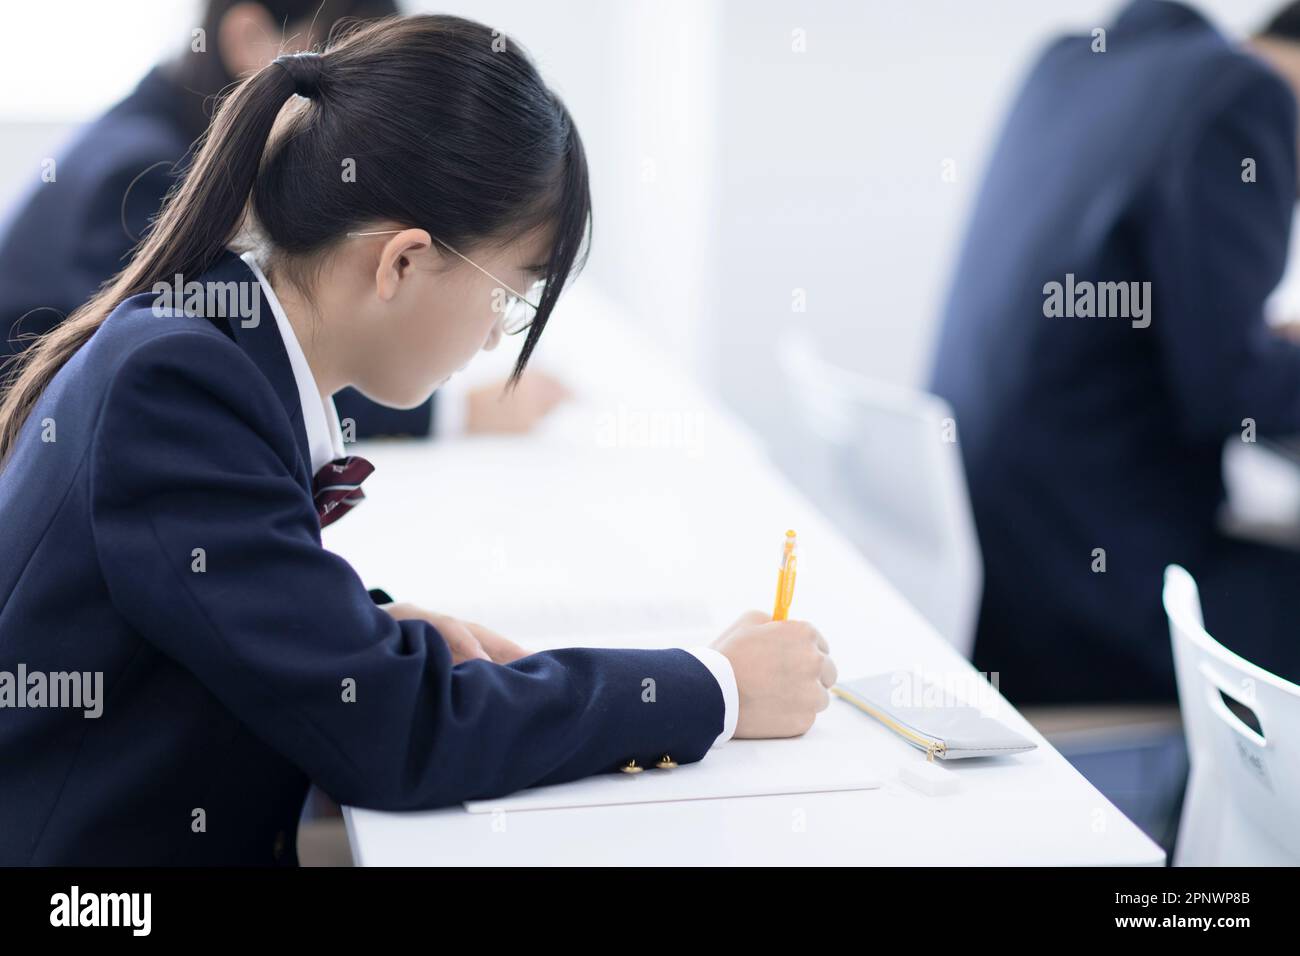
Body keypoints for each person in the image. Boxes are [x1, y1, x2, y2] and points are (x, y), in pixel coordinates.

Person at [0, 14, 836, 865]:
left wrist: (361, 627)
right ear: (401, 263)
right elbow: (398, 734)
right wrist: (715, 687)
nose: (493, 339)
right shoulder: (180, 390)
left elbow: (210, 603)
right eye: (508, 298)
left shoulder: (208, 347)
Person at [931, 0, 1300, 704]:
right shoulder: (1246, 98)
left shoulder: (1080, 60)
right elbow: (1231, 387)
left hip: (998, 569)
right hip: (1094, 602)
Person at [0, 0, 570, 440]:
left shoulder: (164, 130)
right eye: (344, 57)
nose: (365, 101)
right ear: (251, 37)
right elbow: (235, 368)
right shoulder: (140, 176)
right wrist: (452, 410)